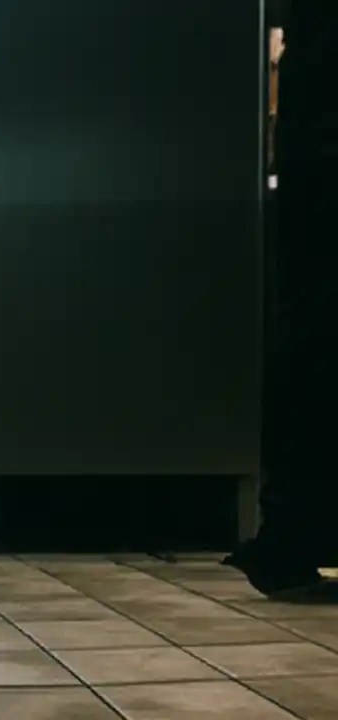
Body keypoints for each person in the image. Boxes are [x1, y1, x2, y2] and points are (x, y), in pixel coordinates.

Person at [222, 0, 338, 596]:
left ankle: (292, 532)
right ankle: (295, 533)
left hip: (314, 132)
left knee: (313, 326)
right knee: (319, 331)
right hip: (322, 123)